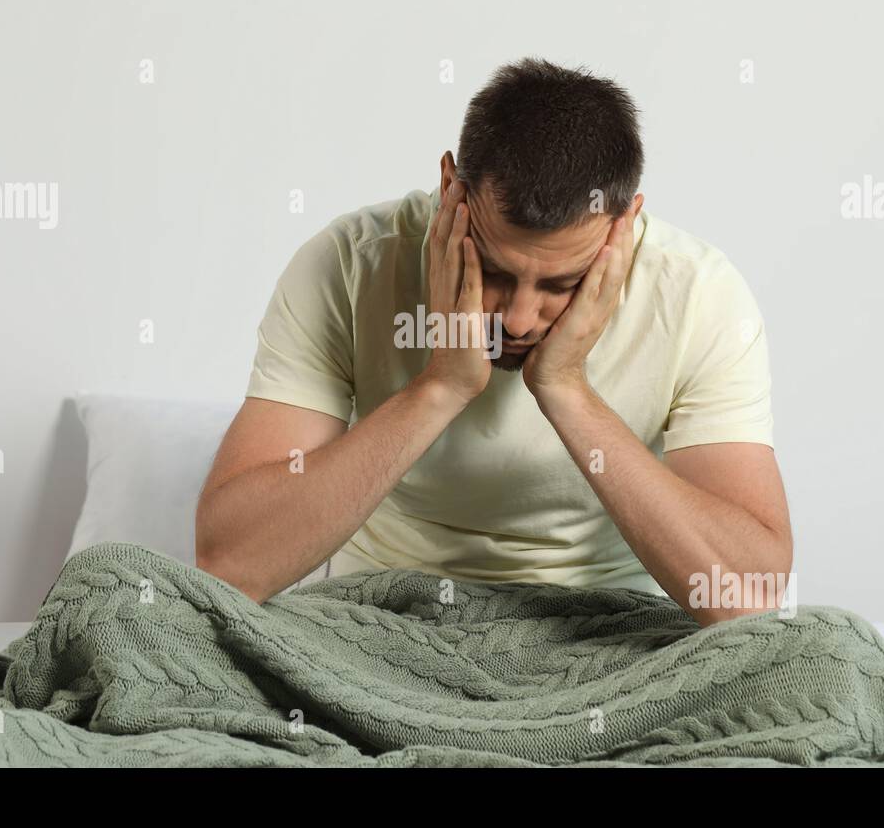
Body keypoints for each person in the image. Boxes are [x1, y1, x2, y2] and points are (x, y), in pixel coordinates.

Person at [196, 57, 792, 625]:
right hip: (381, 626)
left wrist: (565, 389)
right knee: (122, 600)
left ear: (624, 226)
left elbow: (749, 600)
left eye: (563, 283)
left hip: (611, 637)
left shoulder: (698, 295)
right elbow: (229, 565)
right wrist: (441, 386)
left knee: (827, 659)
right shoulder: (347, 264)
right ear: (451, 189)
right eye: (496, 272)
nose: (520, 319)